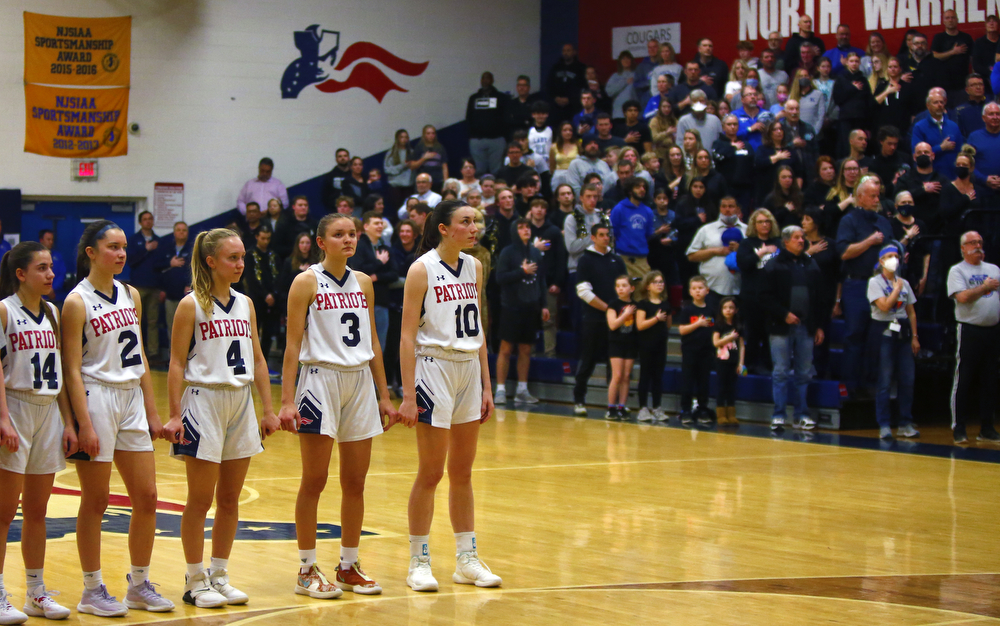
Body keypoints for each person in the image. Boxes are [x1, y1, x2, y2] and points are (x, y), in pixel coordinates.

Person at [277, 214, 397, 599]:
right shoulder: (306, 281)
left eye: (352, 234)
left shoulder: (363, 282)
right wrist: (285, 399)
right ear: (320, 241)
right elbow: (292, 345)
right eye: (338, 234)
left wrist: (383, 393)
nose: (348, 240)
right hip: (319, 381)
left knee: (356, 480)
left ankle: (348, 565)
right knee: (315, 479)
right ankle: (306, 569)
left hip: (359, 379)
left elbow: (374, 342)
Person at [159, 228, 280, 608]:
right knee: (200, 499)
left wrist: (269, 409)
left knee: (230, 498)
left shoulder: (245, 303)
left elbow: (259, 358)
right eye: (233, 258)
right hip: (203, 401)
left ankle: (220, 574)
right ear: (211, 262)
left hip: (239, 401)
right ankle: (195, 580)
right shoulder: (190, 304)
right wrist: (175, 414)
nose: (240, 263)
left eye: (242, 257)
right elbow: (176, 363)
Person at [62, 220, 173, 616]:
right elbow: (71, 369)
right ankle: (92, 590)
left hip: (130, 399)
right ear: (91, 252)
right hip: (96, 397)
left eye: (124, 246)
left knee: (147, 497)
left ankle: (139, 584)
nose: (122, 253)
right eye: (113, 247)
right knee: (96, 500)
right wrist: (84, 423)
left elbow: (140, 354)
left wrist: (153, 409)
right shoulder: (76, 302)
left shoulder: (131, 294)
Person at [397, 201, 500, 592]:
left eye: (476, 221)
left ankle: (466, 558)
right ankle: (418, 561)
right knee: (431, 471)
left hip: (468, 368)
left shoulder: (474, 267)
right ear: (444, 228)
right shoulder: (421, 269)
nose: (474, 228)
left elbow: (479, 330)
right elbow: (406, 335)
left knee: (463, 472)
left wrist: (487, 385)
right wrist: (408, 394)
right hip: (433, 367)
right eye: (466, 222)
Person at [0, 243, 75, 623]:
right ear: (21, 274)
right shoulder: (3, 310)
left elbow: (59, 372)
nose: (50, 274)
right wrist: (2, 419)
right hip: (15, 406)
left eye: (51, 267)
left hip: (48, 413)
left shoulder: (53, 312)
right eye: (42, 268)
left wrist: (69, 422)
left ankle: (35, 592)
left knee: (37, 510)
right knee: (3, 511)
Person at [761, 225, 825, 430]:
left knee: (804, 372)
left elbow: (819, 298)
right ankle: (778, 414)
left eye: (803, 237)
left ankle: (801, 414)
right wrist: (784, 314)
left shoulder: (811, 264)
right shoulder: (773, 265)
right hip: (780, 327)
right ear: (786, 241)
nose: (801, 240)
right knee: (780, 371)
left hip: (806, 326)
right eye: (797, 237)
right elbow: (763, 297)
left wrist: (818, 325)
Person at [836, 177, 895, 397]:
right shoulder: (849, 221)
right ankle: (850, 387)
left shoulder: (884, 222)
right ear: (860, 197)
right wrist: (869, 241)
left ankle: (874, 386)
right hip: (857, 284)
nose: (876, 199)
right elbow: (843, 252)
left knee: (877, 336)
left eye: (878, 195)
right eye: (872, 195)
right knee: (854, 335)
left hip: (881, 284)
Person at [948, 231, 1000, 444]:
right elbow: (962, 297)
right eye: (972, 243)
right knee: (965, 379)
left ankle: (986, 428)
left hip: (992, 330)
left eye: (979, 241)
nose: (977, 245)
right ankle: (959, 427)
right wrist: (985, 287)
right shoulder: (957, 270)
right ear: (963, 248)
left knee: (991, 380)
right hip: (970, 330)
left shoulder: (994, 269)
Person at [866, 245, 920, 441]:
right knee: (885, 380)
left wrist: (915, 336)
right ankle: (884, 424)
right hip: (883, 331)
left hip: (903, 330)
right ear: (881, 261)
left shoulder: (904, 282)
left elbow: (911, 311)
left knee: (907, 379)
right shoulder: (874, 282)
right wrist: (896, 290)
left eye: (896, 256)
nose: (893, 260)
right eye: (889, 256)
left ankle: (905, 422)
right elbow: (884, 305)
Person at [573, 225, 626, 415]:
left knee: (615, 364)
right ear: (593, 238)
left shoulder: (617, 260)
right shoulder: (585, 260)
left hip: (616, 322)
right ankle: (579, 400)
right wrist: (608, 309)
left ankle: (614, 405)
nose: (606, 238)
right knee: (588, 359)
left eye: (608, 235)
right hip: (593, 319)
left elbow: (624, 287)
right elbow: (584, 292)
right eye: (601, 235)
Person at [495, 218, 548, 405]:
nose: (526, 230)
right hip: (511, 306)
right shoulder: (507, 252)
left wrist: (544, 305)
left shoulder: (536, 252)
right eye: (521, 227)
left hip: (531, 307)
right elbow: (499, 278)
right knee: (506, 349)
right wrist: (522, 272)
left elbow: (541, 280)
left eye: (527, 227)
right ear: (514, 230)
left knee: (526, 349)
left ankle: (522, 390)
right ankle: (500, 390)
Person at [736, 209, 781, 375]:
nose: (764, 225)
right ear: (754, 224)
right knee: (753, 333)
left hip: (772, 296)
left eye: (767, 221)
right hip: (751, 296)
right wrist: (761, 253)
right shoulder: (747, 244)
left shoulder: (778, 242)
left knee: (770, 333)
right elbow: (743, 264)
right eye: (761, 222)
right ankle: (752, 365)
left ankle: (770, 365)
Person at [348, 212, 398, 352]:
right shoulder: (358, 246)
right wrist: (379, 262)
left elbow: (394, 274)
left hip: (381, 300)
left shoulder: (385, 247)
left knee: (379, 346)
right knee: (361, 345)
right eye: (376, 223)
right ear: (366, 226)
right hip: (361, 302)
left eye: (381, 223)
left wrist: (376, 277)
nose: (380, 226)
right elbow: (358, 271)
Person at [526, 200, 565, 357]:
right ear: (531, 209)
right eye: (536, 206)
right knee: (530, 320)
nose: (539, 210)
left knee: (549, 320)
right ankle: (529, 352)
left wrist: (557, 281)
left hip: (548, 283)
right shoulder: (524, 229)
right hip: (528, 283)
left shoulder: (554, 231)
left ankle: (550, 352)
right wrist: (533, 248)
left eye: (543, 207)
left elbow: (561, 258)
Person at [677, 276, 716, 426]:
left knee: (703, 382)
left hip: (706, 352)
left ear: (707, 290)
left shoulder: (711, 310)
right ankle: (685, 410)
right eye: (694, 288)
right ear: (690, 292)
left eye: (700, 288)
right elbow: (682, 330)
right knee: (687, 381)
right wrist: (698, 323)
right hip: (690, 351)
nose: (697, 291)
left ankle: (702, 409)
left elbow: (714, 329)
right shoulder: (688, 310)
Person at [242, 225, 281, 371]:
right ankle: (251, 364)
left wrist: (273, 294)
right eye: (263, 238)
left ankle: (262, 365)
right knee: (254, 332)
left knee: (268, 333)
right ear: (257, 236)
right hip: (256, 300)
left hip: (272, 301)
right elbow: (251, 280)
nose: (265, 241)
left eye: (268, 238)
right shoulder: (250, 255)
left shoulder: (273, 255)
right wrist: (265, 295)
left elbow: (278, 277)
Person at [634, 271, 671, 422]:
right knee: (645, 376)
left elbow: (668, 325)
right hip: (646, 345)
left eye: (661, 282)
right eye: (656, 282)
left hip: (660, 344)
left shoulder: (666, 304)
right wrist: (656, 319)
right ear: (648, 286)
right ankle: (643, 408)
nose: (659, 284)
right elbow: (640, 325)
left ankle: (657, 407)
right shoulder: (643, 304)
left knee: (658, 377)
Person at [127, 211, 162, 364]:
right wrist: (145, 250)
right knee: (136, 321)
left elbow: (162, 264)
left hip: (154, 286)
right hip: (138, 286)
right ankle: (136, 351)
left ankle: (153, 352)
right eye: (145, 219)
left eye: (150, 219)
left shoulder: (159, 240)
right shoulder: (134, 240)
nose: (148, 222)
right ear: (140, 222)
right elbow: (131, 261)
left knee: (153, 321)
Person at [153, 221, 193, 351]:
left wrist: (190, 285)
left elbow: (196, 270)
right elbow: (157, 267)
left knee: (189, 329)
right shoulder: (166, 249)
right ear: (174, 233)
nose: (181, 232)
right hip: (170, 295)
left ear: (187, 233)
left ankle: (189, 357)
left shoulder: (192, 248)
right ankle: (173, 358)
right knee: (172, 327)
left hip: (188, 296)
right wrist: (170, 263)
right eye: (179, 230)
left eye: (184, 230)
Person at [605, 276, 638, 420]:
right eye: (618, 286)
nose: (620, 289)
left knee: (626, 376)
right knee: (617, 375)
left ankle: (622, 406)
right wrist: (625, 315)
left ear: (632, 288)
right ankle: (611, 407)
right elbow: (612, 325)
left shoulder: (636, 306)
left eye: (624, 286)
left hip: (631, 343)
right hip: (616, 343)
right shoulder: (613, 305)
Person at [609, 177, 655, 278]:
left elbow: (648, 234)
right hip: (623, 257)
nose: (642, 189)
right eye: (638, 187)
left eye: (644, 187)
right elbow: (613, 232)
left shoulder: (648, 211)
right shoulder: (619, 209)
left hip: (642, 258)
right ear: (630, 190)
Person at [466, 71, 508, 176]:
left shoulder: (501, 98)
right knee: (479, 171)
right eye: (483, 79)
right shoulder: (474, 98)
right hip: (477, 140)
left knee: (497, 171)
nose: (485, 81)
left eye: (488, 78)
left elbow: (506, 118)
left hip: (496, 140)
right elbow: (469, 118)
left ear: (492, 81)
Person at [833, 52, 873, 158]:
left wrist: (868, 125)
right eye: (851, 61)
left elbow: (867, 101)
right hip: (846, 118)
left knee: (860, 145)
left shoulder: (863, 80)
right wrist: (852, 88)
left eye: (856, 61)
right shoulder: (841, 78)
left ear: (859, 63)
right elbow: (837, 99)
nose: (854, 64)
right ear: (846, 63)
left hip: (860, 118)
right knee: (846, 146)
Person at [897, 142, 948, 227]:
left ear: (933, 156)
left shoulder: (942, 180)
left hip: (937, 228)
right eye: (919, 153)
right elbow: (898, 197)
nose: (923, 155)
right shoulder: (905, 179)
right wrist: (922, 190)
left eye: (926, 152)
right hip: (911, 226)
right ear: (914, 157)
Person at [713, 297, 744, 426]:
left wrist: (741, 363)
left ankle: (731, 414)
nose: (728, 310)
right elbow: (716, 343)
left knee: (732, 388)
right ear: (721, 310)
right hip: (721, 361)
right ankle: (721, 414)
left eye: (731, 308)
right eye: (725, 308)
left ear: (736, 310)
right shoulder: (719, 325)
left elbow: (742, 346)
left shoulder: (738, 326)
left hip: (734, 361)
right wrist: (729, 338)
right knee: (722, 387)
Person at [713, 114, 755, 211]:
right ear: (723, 126)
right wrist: (732, 148)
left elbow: (752, 165)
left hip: (745, 190)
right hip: (726, 189)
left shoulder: (746, 145)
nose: (732, 127)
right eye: (729, 124)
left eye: (735, 124)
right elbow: (718, 157)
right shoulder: (718, 144)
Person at [754, 121, 802, 205]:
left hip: (788, 193)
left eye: (780, 129)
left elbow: (799, 172)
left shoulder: (789, 150)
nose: (779, 132)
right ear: (769, 133)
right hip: (767, 192)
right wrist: (777, 157)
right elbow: (758, 163)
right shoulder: (763, 149)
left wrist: (797, 191)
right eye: (775, 129)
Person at [931, 9, 974, 98]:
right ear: (944, 21)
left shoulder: (966, 37)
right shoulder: (939, 38)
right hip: (944, 81)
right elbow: (935, 56)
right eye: (947, 18)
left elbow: (973, 58)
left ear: (957, 20)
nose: (950, 20)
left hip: (963, 81)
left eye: (953, 17)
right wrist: (953, 52)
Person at [967, 102, 1000, 206]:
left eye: (998, 114)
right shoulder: (974, 137)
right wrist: (984, 179)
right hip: (981, 192)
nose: (995, 117)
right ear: (984, 118)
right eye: (991, 114)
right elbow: (968, 163)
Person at [547, 43, 588, 125]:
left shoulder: (581, 68)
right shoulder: (555, 68)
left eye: (568, 50)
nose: (565, 53)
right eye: (564, 51)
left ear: (574, 52)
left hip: (574, 107)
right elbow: (549, 85)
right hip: (557, 108)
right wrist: (555, 98)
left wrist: (571, 99)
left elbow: (583, 87)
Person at [274, 196, 318, 261]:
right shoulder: (284, 224)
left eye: (305, 205)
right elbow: (278, 247)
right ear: (293, 207)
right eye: (300, 205)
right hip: (290, 260)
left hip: (311, 260)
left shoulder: (314, 224)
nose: (303, 207)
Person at [384, 129, 415, 209]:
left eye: (406, 137)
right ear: (397, 138)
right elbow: (387, 169)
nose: (404, 139)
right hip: (396, 187)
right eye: (401, 137)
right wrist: (402, 166)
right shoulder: (391, 153)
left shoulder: (411, 152)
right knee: (397, 209)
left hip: (409, 186)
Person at [606, 51, 638, 121]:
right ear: (620, 61)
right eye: (623, 58)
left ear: (631, 60)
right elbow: (609, 92)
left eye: (628, 58)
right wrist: (625, 82)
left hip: (634, 114)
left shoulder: (636, 75)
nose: (626, 60)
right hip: (618, 114)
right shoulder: (615, 76)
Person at [973, 15, 1000, 97]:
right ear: (985, 25)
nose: (991, 23)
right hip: (985, 82)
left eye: (994, 21)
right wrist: (991, 73)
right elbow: (976, 65)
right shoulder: (979, 42)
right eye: (989, 21)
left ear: (998, 25)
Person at [38, 229, 66, 301]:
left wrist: (52, 289)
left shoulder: (58, 256)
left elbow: (62, 274)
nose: (51, 242)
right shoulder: (35, 257)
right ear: (41, 240)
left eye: (52, 240)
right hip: (40, 296)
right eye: (48, 239)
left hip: (56, 296)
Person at [634, 39, 661, 109]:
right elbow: (636, 84)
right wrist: (650, 83)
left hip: (662, 99)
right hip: (646, 100)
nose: (652, 49)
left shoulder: (663, 64)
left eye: (654, 47)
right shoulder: (641, 66)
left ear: (659, 48)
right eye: (650, 47)